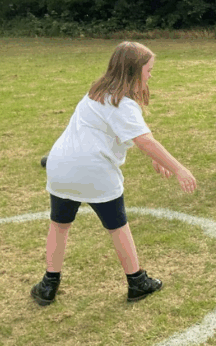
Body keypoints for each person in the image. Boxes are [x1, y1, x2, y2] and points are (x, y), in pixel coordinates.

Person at [31, 42, 197, 306]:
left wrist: (156, 159)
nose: (150, 76)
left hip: (61, 167)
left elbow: (136, 132)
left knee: (59, 225)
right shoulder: (123, 104)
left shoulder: (96, 92)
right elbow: (145, 141)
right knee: (118, 227)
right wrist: (180, 169)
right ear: (133, 71)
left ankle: (48, 285)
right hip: (94, 172)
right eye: (148, 70)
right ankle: (137, 282)